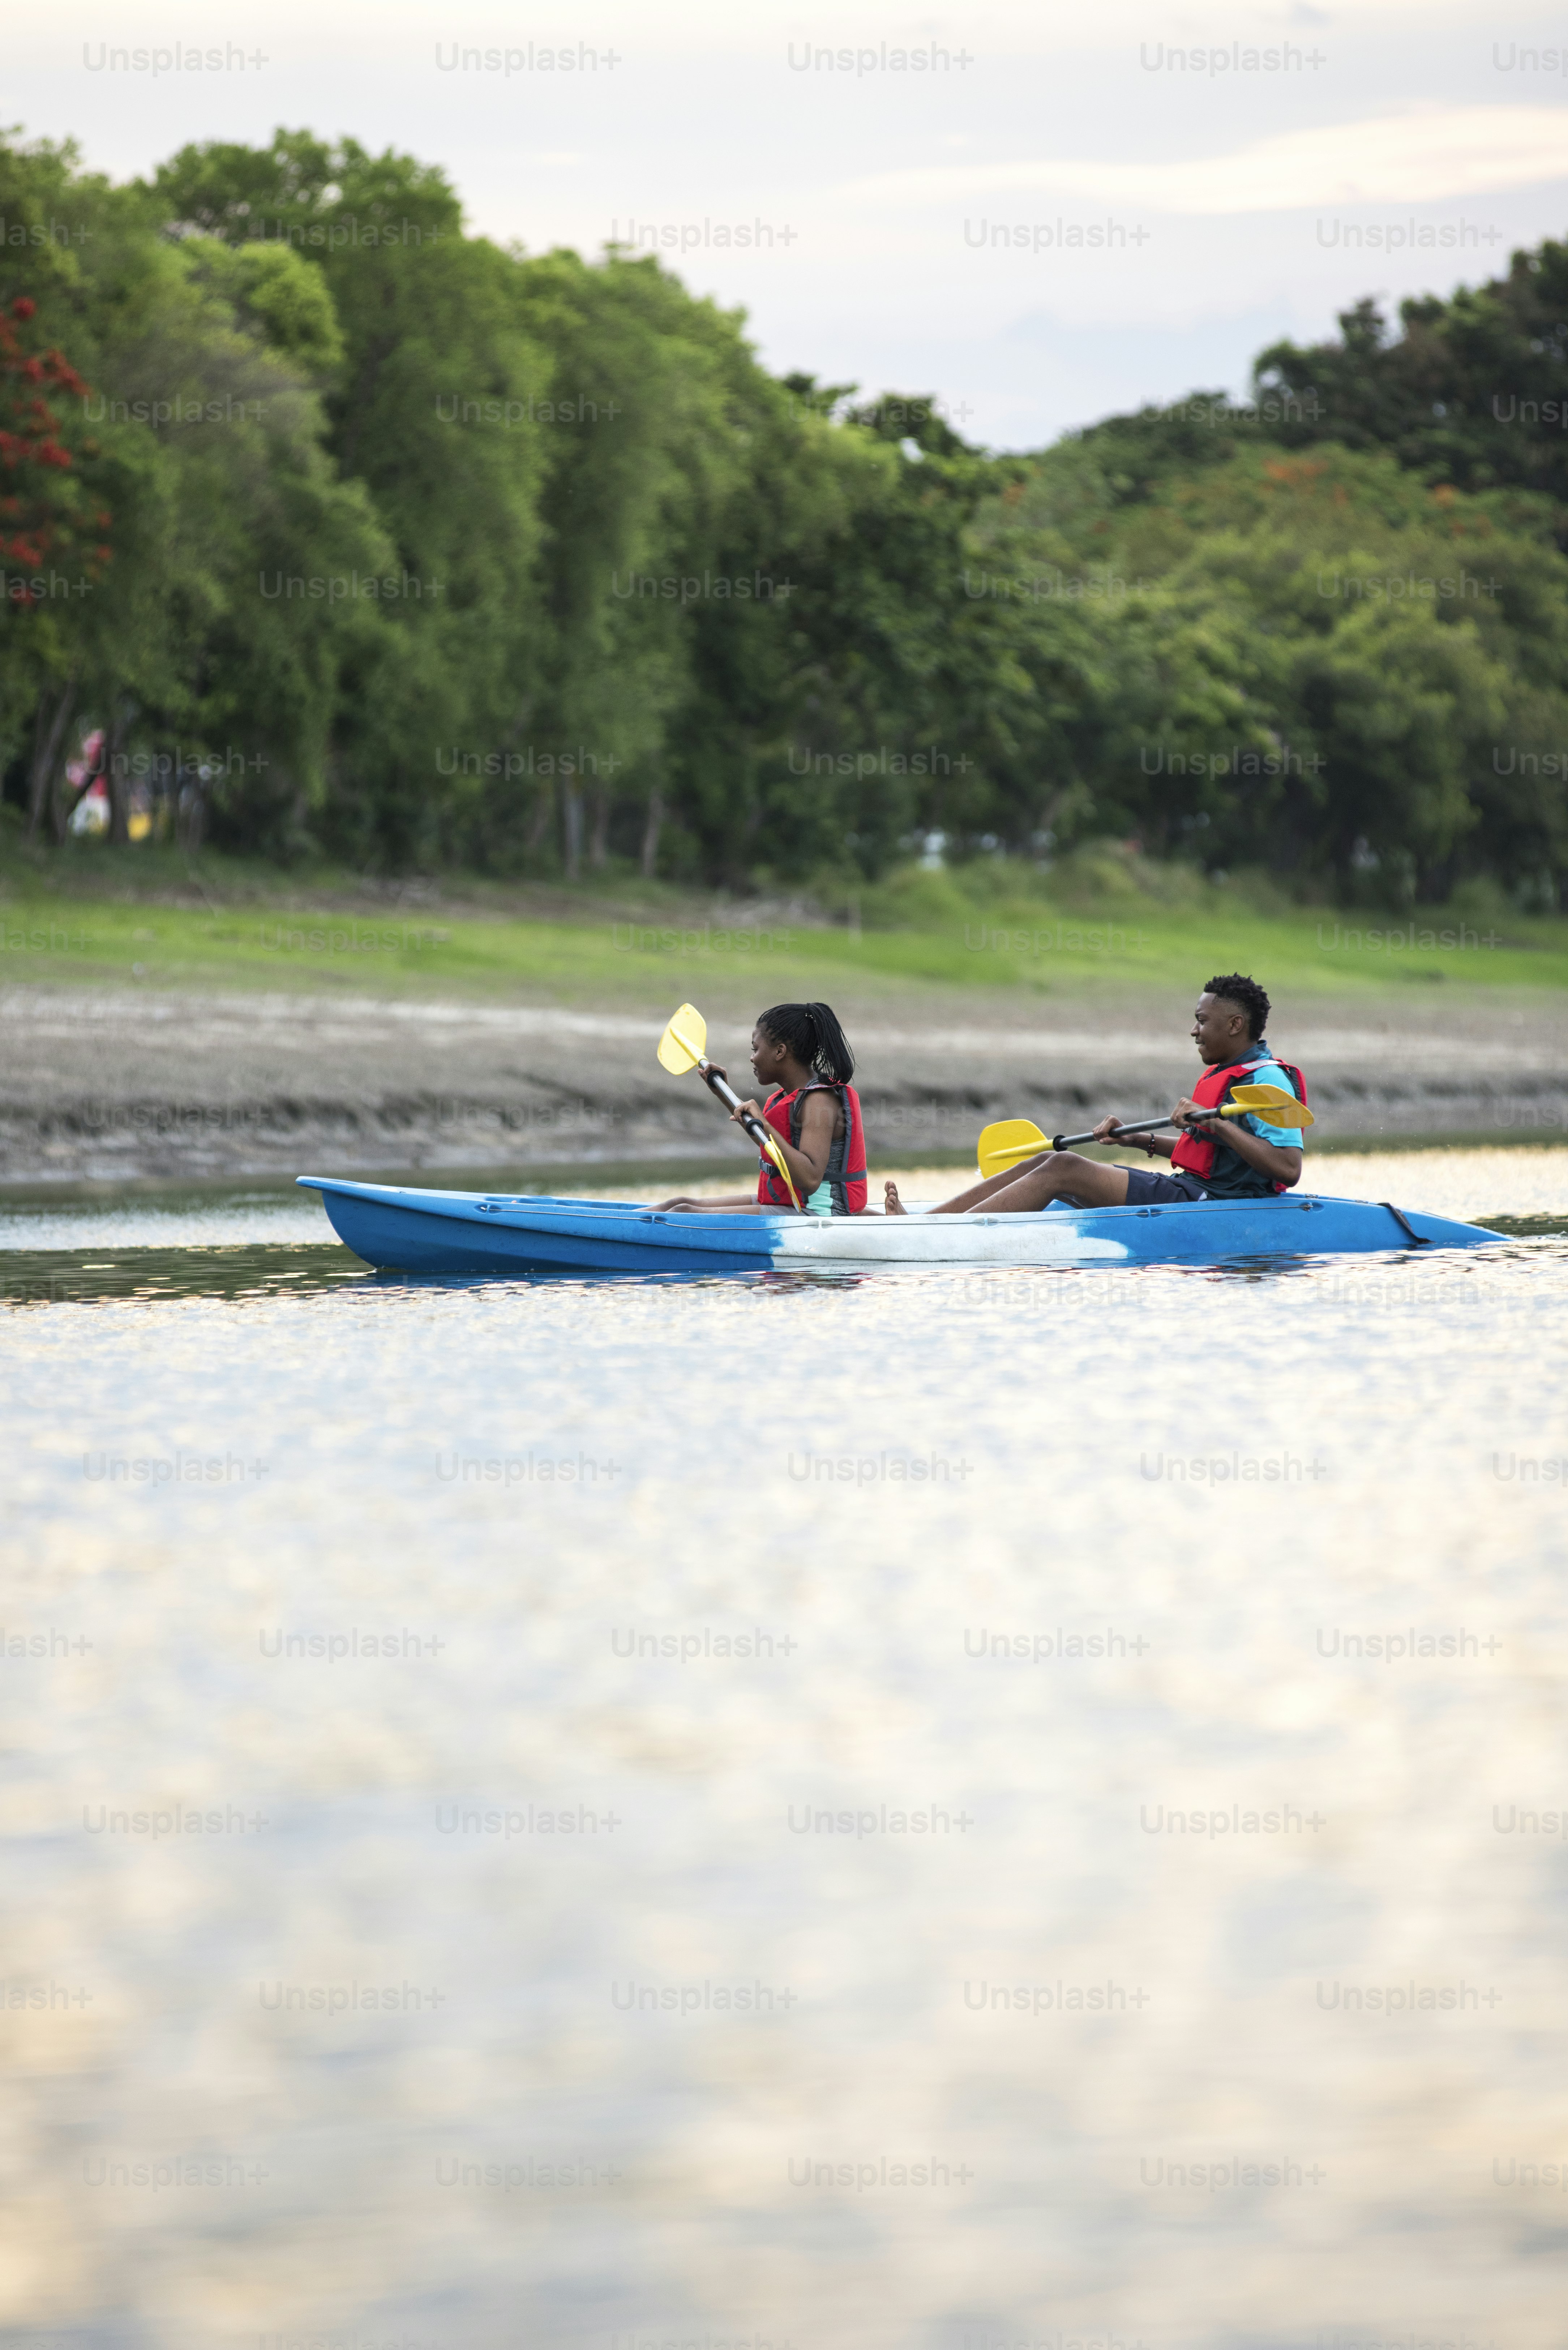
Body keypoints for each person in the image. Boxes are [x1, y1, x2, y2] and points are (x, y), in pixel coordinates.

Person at [884, 973, 1304, 1216]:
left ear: (1234, 1025)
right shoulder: (1228, 1074)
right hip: (1195, 1189)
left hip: (1217, 1204)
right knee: (1049, 1158)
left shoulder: (1266, 1081)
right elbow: (1213, 1155)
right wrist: (1137, 1139)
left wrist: (1217, 1124)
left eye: (1202, 1021)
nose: (1194, 1030)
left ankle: (943, 1237)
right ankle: (926, 1224)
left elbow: (1288, 1169)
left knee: (1065, 1165)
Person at [657, 1001, 868, 1215]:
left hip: (818, 1215)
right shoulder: (790, 1097)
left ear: (780, 1052)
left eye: (755, 1049)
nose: (752, 1057)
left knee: (683, 1211)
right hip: (793, 1204)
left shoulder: (819, 1100)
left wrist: (765, 1125)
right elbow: (770, 1145)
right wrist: (722, 1093)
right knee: (677, 1203)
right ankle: (621, 1226)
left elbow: (810, 1179)